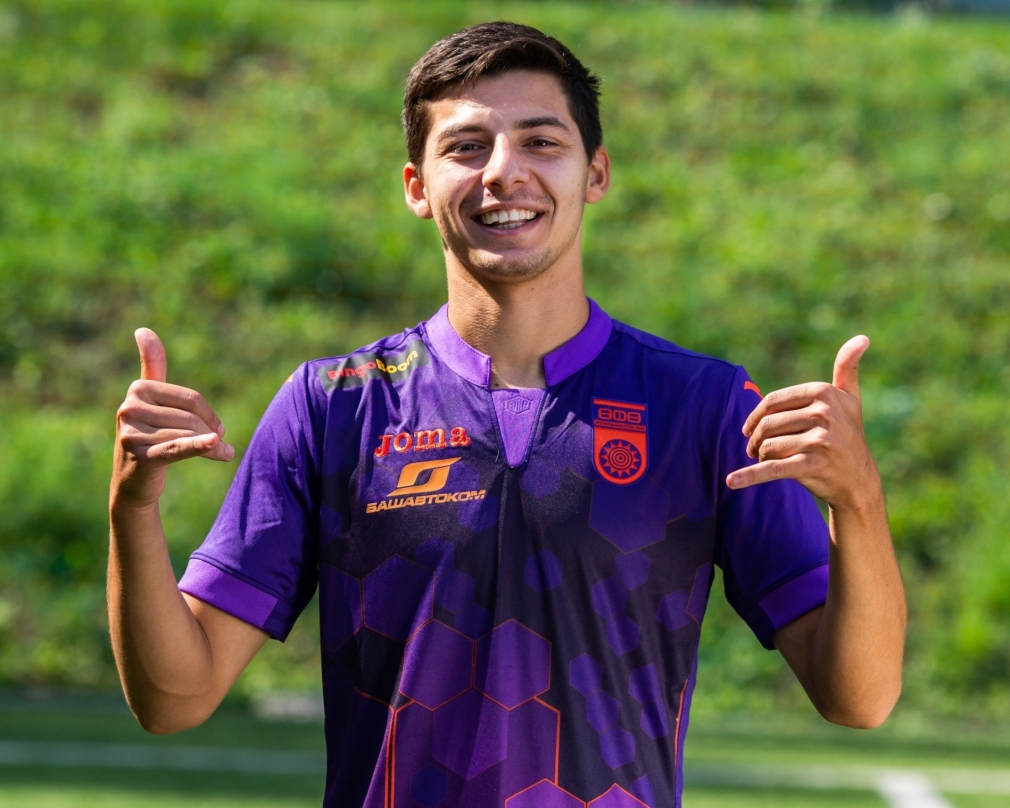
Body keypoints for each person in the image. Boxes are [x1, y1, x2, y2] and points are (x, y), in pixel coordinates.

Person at [108, 21, 906, 808]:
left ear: (595, 173)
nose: (503, 172)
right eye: (465, 147)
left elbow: (859, 697)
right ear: (417, 187)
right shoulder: (335, 406)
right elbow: (176, 699)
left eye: (540, 142)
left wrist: (858, 501)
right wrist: (133, 509)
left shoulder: (703, 406)